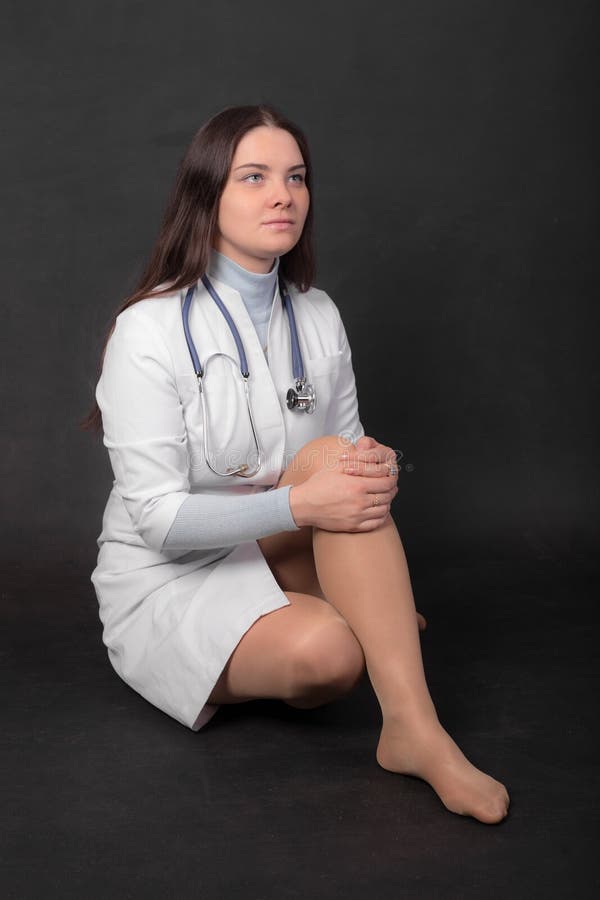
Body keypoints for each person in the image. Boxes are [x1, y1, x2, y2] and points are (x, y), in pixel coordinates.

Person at [81, 103, 509, 825]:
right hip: (169, 576)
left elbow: (341, 454)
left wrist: (376, 468)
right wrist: (303, 507)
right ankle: (366, 625)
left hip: (271, 545)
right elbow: (156, 522)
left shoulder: (317, 313)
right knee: (332, 657)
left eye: (296, 177)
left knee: (336, 458)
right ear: (207, 194)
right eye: (254, 176)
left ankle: (414, 730)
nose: (283, 194)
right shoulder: (147, 330)